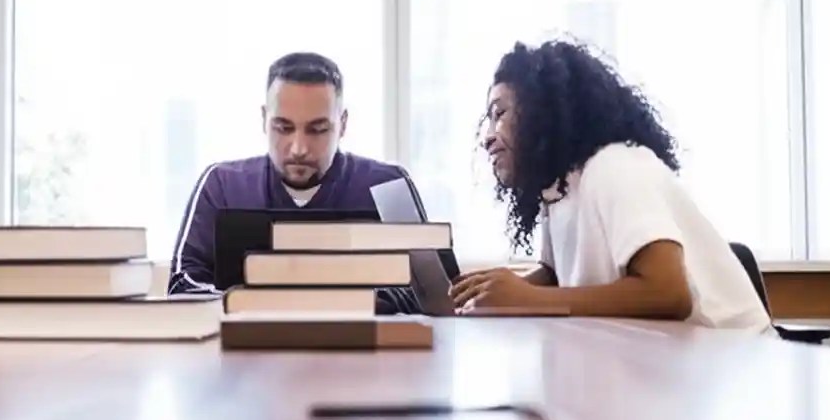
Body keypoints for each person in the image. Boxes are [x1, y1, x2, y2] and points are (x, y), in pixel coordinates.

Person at [449, 40, 771, 331]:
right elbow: (556, 277)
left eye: (499, 113)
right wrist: (489, 293)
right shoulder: (557, 190)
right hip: (677, 363)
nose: (488, 137)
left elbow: (668, 294)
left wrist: (526, 298)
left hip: (736, 364)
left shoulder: (614, 167)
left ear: (541, 110)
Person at [168, 52, 425, 312]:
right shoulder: (221, 185)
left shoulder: (390, 187)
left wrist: (334, 303)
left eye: (317, 130)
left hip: (368, 349)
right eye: (283, 127)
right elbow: (183, 286)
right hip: (245, 350)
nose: (298, 148)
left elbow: (432, 295)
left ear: (343, 124)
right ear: (264, 120)